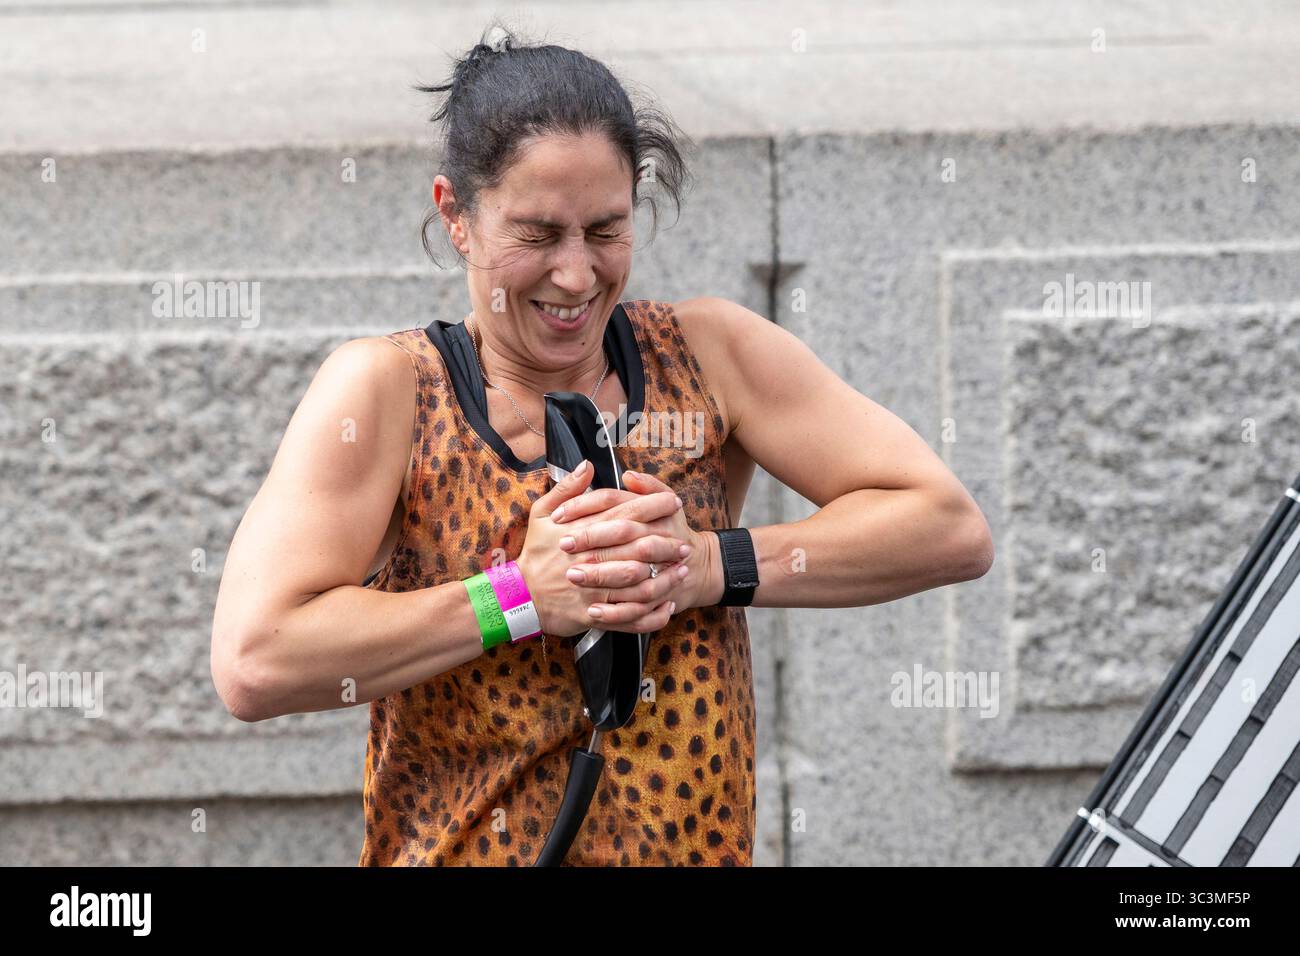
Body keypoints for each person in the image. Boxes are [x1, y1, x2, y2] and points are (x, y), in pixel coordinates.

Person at [209, 22, 995, 867]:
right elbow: (256, 661)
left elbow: (949, 528)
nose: (578, 275)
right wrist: (516, 597)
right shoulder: (389, 390)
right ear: (457, 218)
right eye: (538, 235)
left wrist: (703, 565)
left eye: (606, 230)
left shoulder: (713, 354)